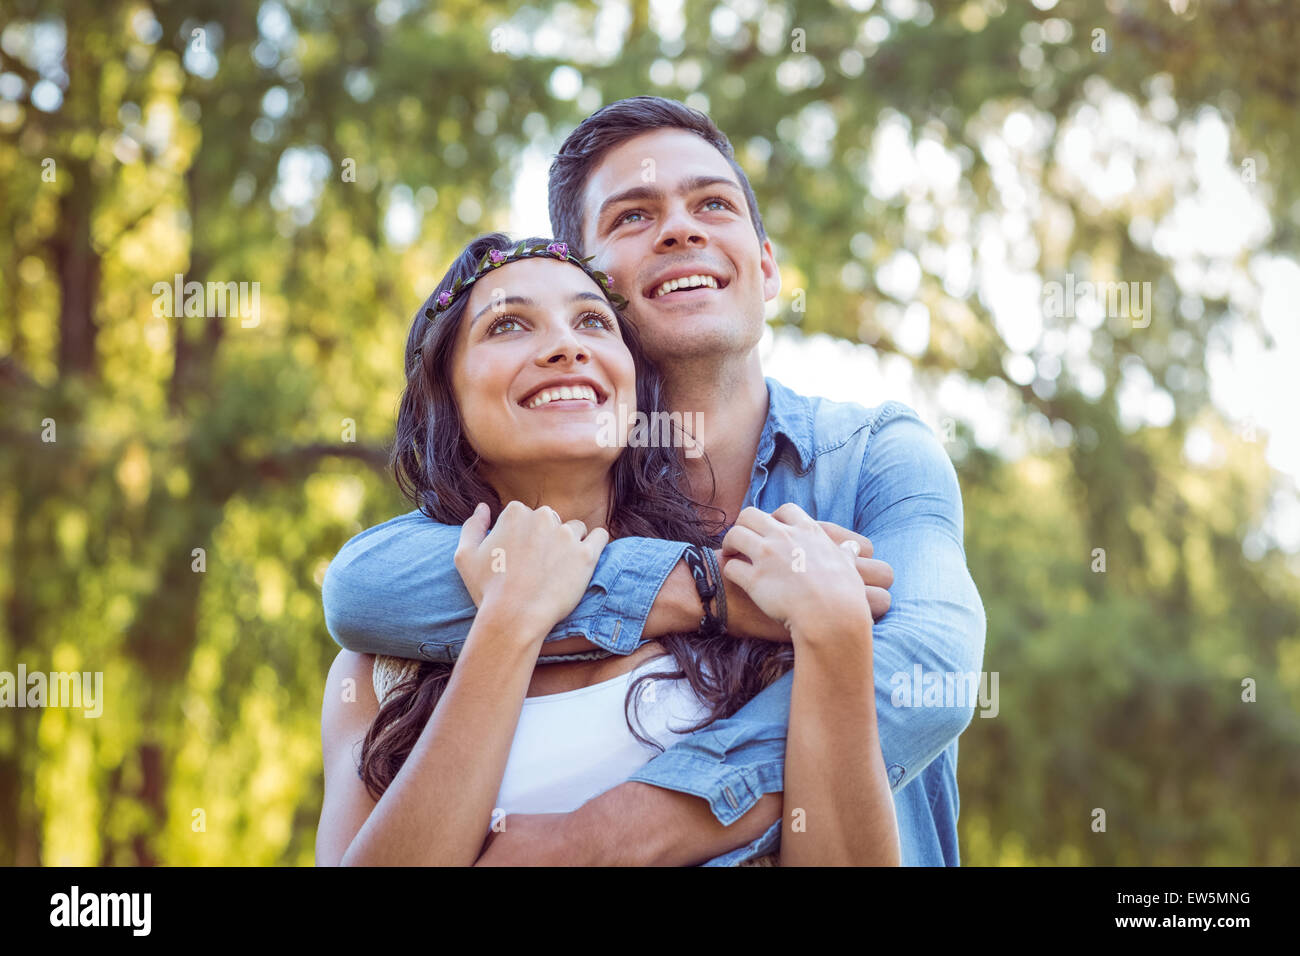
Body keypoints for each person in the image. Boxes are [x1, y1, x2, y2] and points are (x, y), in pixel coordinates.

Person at [322, 97, 986, 866]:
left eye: (713, 203)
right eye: (633, 216)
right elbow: (358, 588)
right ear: (596, 279)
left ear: (766, 265)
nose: (681, 228)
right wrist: (707, 591)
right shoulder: (403, 649)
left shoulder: (873, 457)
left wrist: (610, 833)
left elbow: (928, 671)